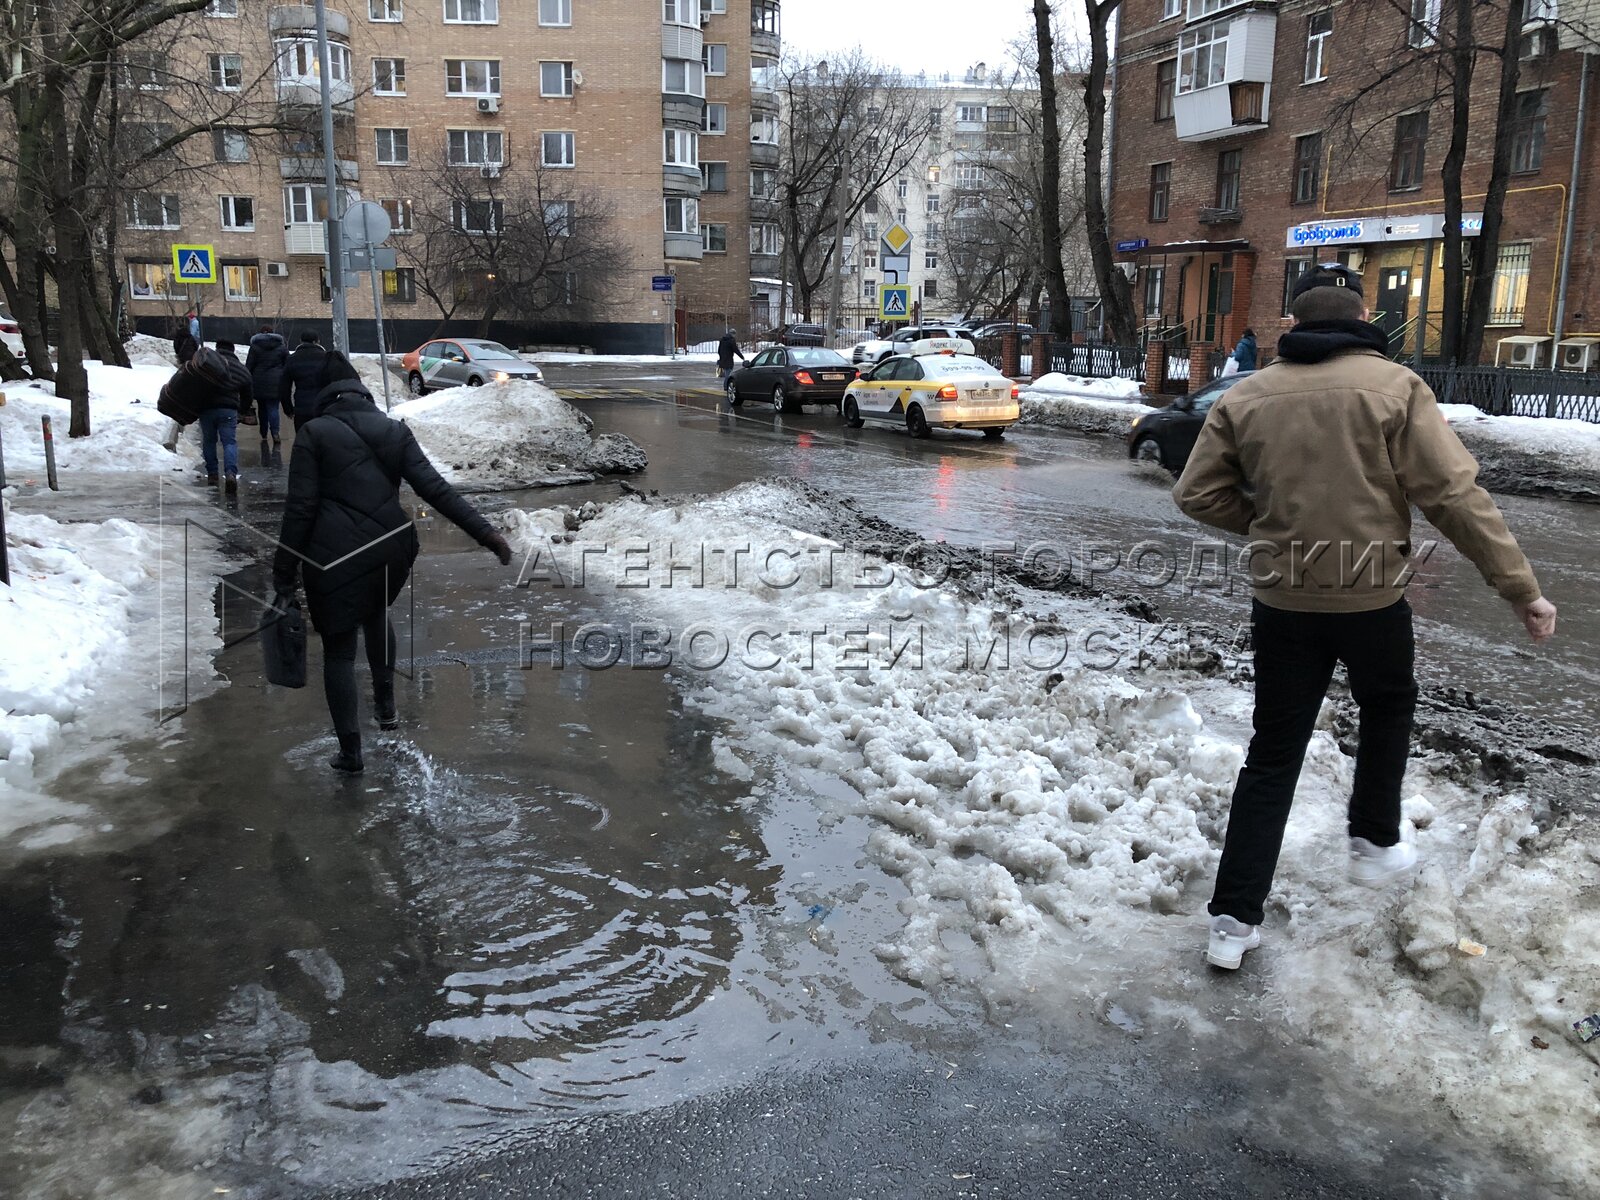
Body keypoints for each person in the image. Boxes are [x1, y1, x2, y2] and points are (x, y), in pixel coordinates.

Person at [1172, 262, 1557, 971]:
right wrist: (1519, 589)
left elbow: (1196, 495)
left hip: (1282, 600)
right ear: (1358, 319)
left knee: (1273, 753)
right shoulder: (1394, 388)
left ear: (1294, 323)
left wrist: (1267, 524)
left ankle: (1231, 921)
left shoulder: (1250, 394)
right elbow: (1455, 497)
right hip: (1371, 597)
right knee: (1388, 701)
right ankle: (1373, 837)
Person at [272, 352, 513, 774]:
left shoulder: (314, 434)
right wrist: (486, 533)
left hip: (333, 556)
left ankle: (350, 754)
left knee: (339, 650)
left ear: (323, 394)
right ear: (360, 389)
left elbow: (300, 511)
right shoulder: (392, 430)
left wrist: (283, 573)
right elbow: (436, 489)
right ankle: (387, 712)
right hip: (392, 548)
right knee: (374, 611)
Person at [196, 340, 253, 493]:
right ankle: (230, 474)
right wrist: (242, 410)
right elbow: (248, 393)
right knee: (229, 443)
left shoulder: (207, 364)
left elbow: (195, 384)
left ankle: (213, 474)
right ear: (233, 350)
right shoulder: (239, 368)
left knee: (209, 441)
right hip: (228, 410)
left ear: (217, 349)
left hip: (206, 409)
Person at [246, 324, 290, 456]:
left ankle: (263, 432)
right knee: (273, 407)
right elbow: (287, 365)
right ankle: (275, 433)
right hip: (276, 382)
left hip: (258, 381)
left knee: (262, 407)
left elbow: (249, 366)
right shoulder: (281, 347)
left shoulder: (254, 347)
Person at [280, 330, 329, 430]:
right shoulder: (326, 358)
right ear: (317, 341)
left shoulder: (292, 359)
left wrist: (288, 409)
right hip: (322, 407)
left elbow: (284, 387)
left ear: (300, 341)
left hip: (301, 408)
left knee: (303, 440)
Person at [716, 328, 747, 392]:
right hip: (729, 360)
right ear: (733, 334)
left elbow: (719, 350)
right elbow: (735, 350)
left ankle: (726, 387)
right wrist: (742, 357)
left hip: (723, 360)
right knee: (728, 374)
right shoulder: (731, 340)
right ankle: (726, 387)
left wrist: (721, 357)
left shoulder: (722, 340)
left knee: (727, 373)